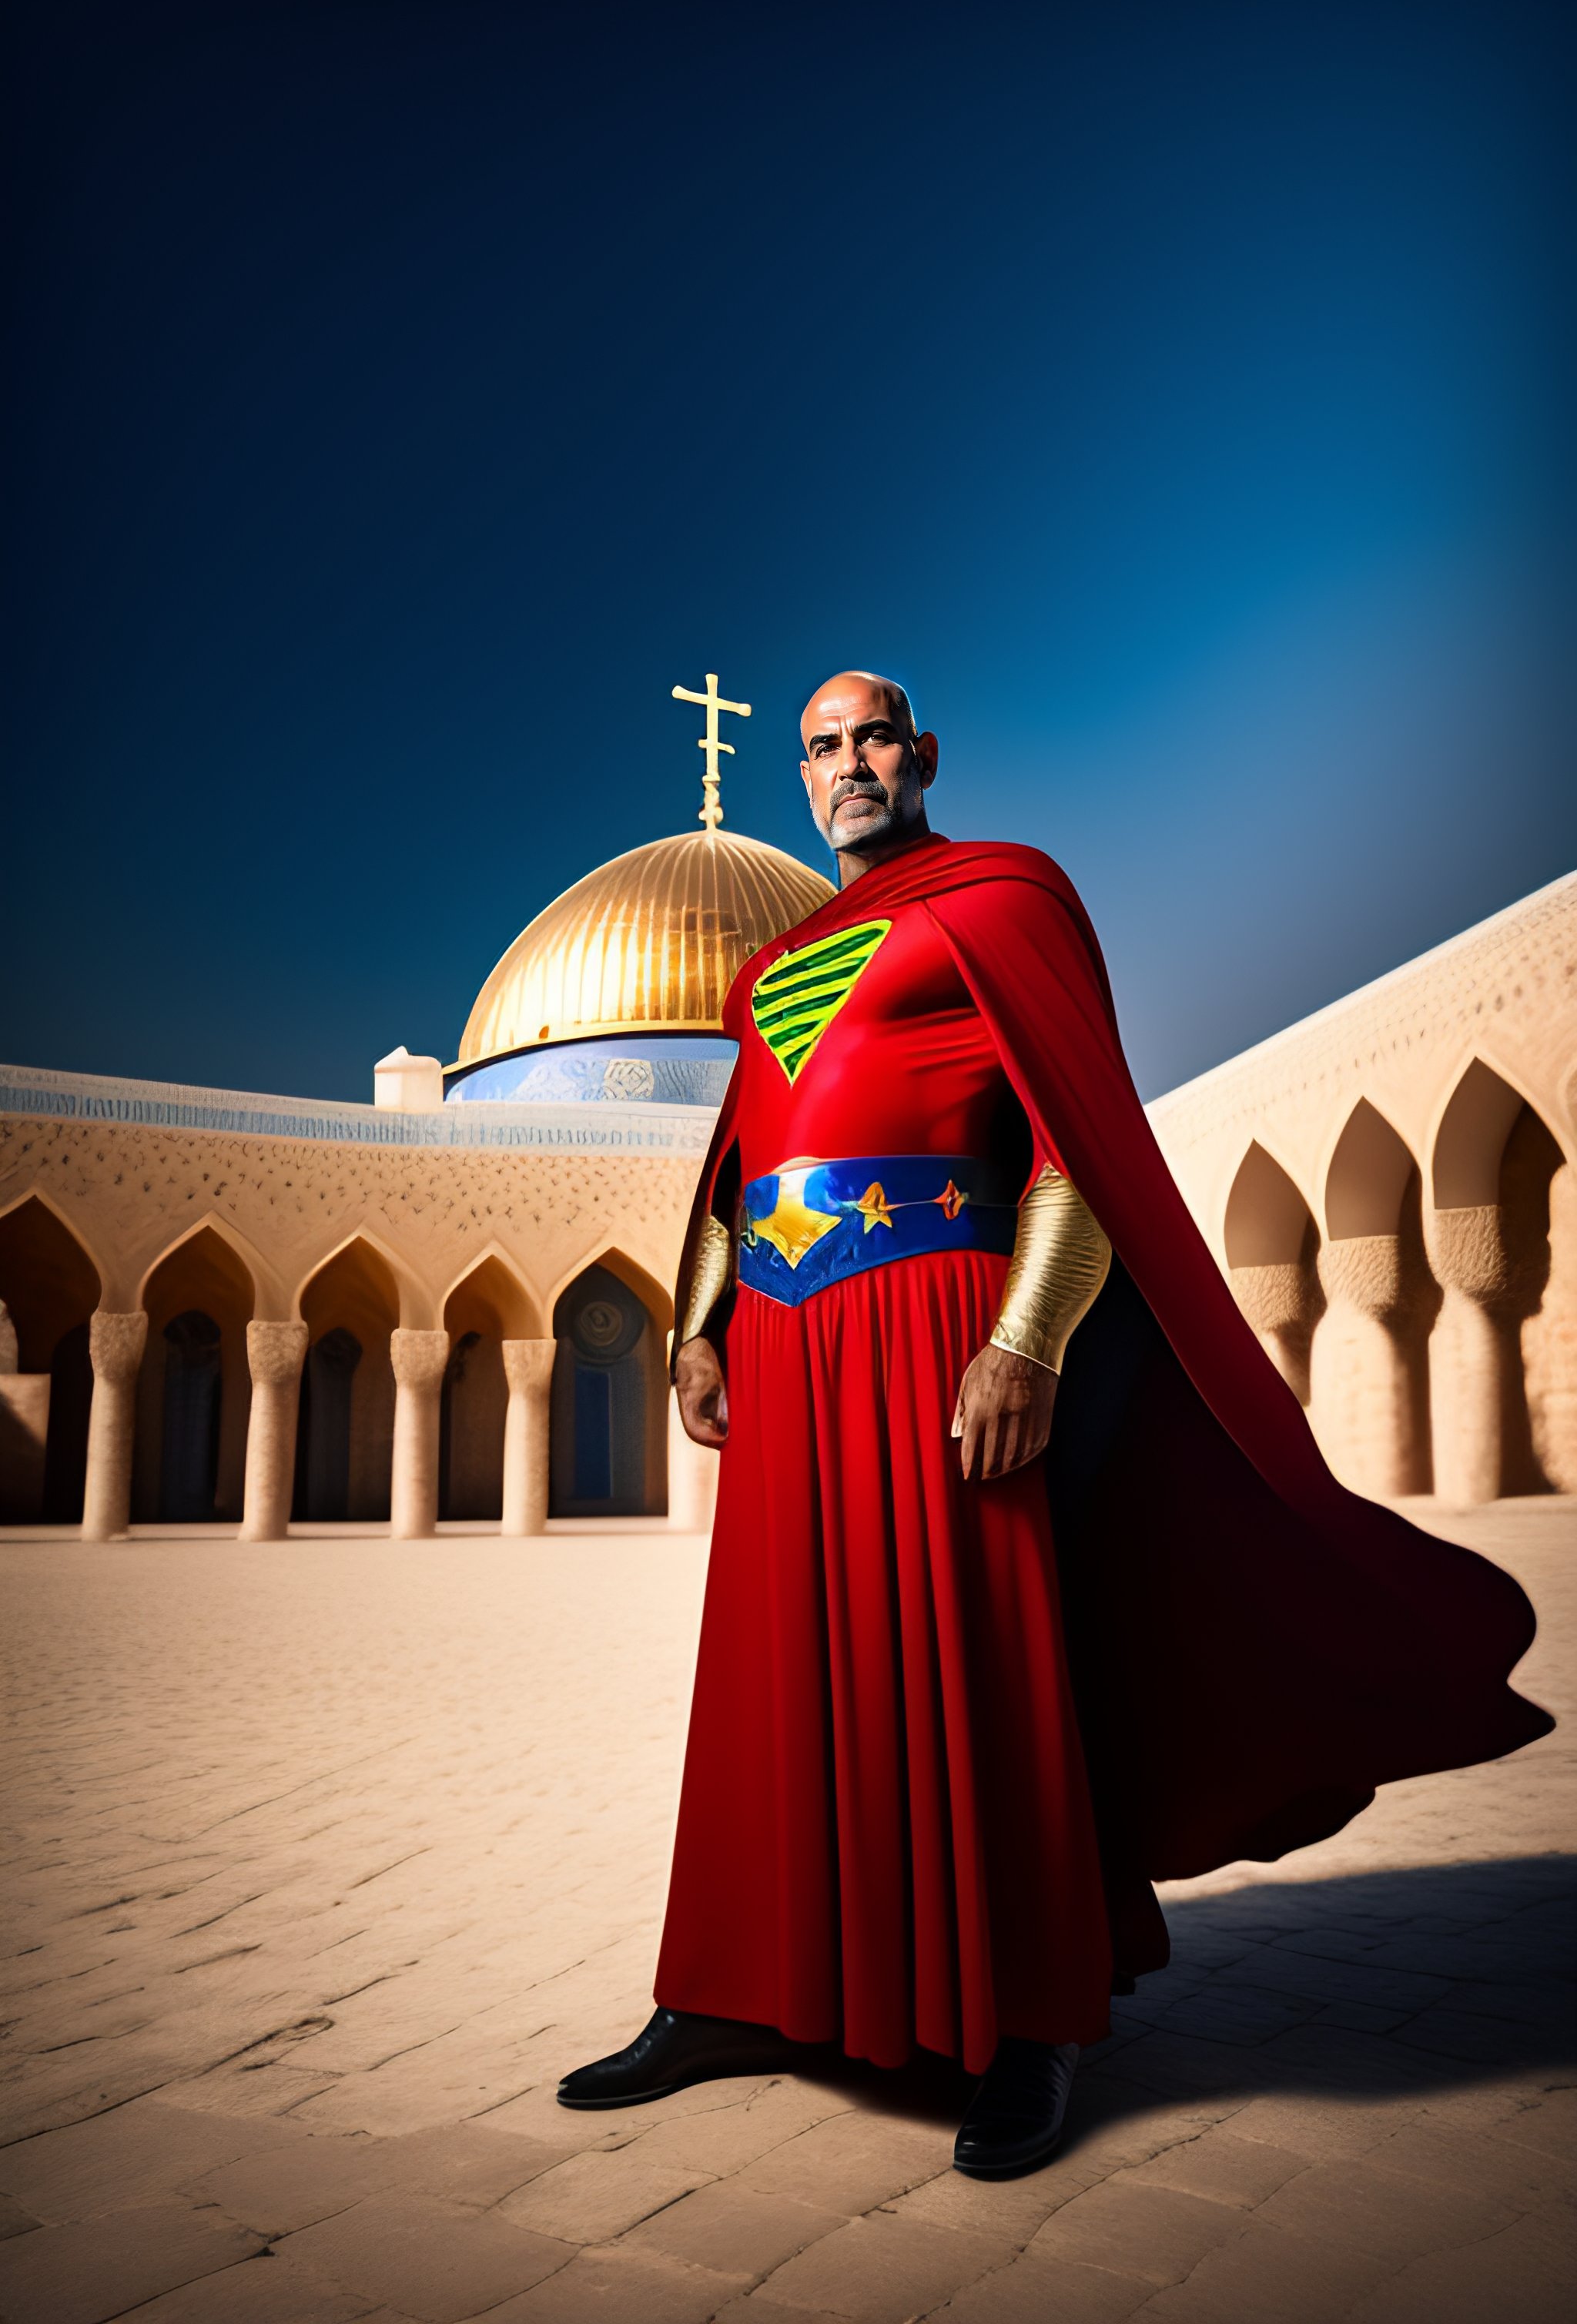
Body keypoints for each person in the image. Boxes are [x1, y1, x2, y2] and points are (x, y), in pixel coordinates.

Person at [557, 669, 1551, 2178]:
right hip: (793, 1347)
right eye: (822, 746)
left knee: (976, 1654)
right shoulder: (776, 965)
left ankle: (1031, 2017)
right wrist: (700, 1325)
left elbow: (1072, 1131)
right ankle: (736, 1991)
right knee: (781, 1664)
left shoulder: (1000, 899)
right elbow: (737, 1161)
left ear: (922, 753)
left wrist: (1025, 1340)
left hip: (931, 1323)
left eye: (872, 736)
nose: (848, 765)